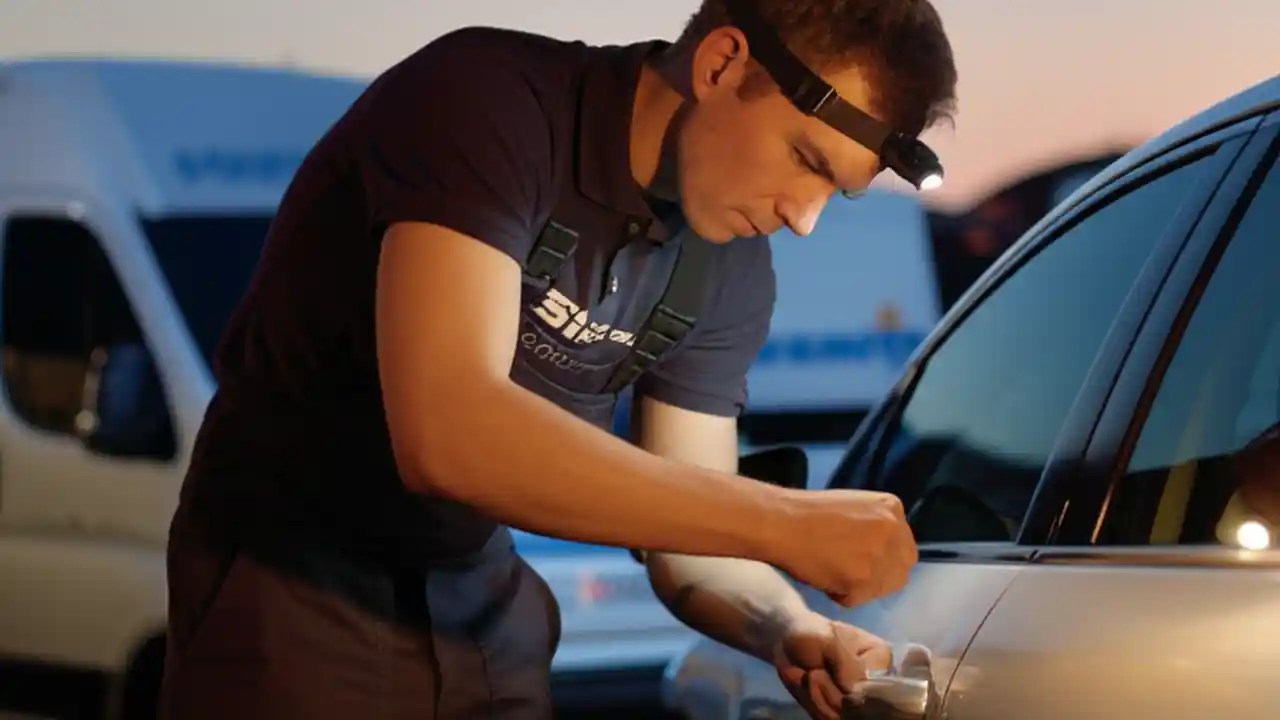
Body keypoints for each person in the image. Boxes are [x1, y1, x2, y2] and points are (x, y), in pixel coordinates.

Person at [158, 0, 958, 718]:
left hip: (482, 609)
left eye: (834, 193)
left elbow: (691, 551)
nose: (804, 219)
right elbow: (449, 432)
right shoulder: (487, 101)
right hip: (291, 583)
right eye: (807, 162)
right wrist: (786, 522)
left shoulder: (729, 266)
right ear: (721, 63)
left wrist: (794, 627)